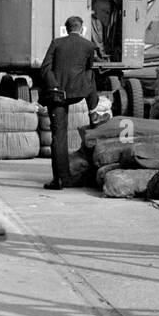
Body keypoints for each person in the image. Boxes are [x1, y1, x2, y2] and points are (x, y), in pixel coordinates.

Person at [40, 16, 99, 190]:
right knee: (91, 75)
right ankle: (93, 110)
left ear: (66, 29)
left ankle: (59, 179)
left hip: (57, 95)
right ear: (81, 29)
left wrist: (55, 86)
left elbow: (45, 68)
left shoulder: (56, 43)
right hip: (79, 92)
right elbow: (89, 68)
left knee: (59, 136)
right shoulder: (89, 46)